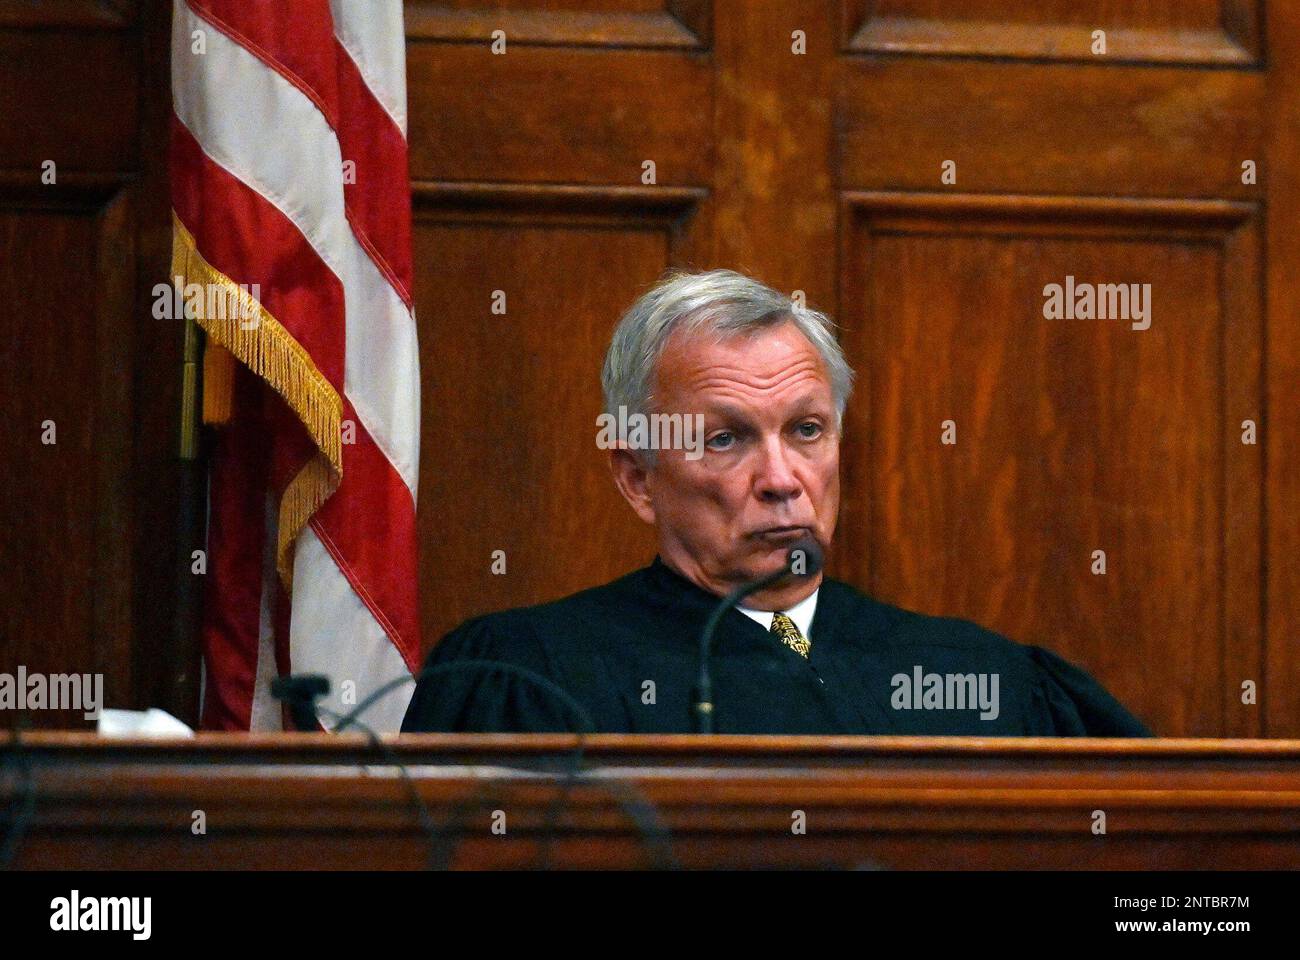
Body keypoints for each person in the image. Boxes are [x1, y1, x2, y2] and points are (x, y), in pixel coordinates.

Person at [402, 270, 1151, 736]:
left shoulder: (976, 675)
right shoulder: (531, 679)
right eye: (726, 439)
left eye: (806, 430)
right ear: (637, 477)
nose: (783, 477)